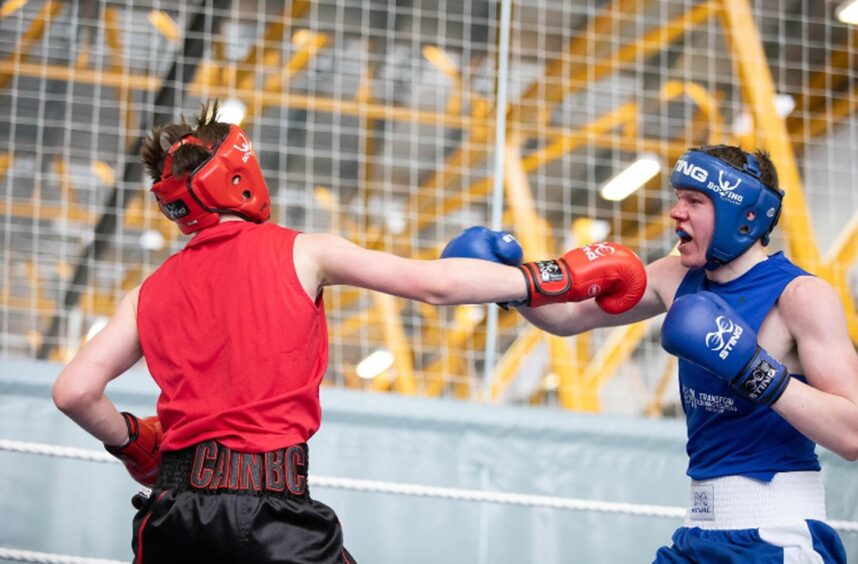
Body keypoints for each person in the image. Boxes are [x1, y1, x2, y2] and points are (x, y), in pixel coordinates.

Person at [51, 100, 648, 563]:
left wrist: (134, 442)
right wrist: (555, 277)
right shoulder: (304, 253)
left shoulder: (147, 292)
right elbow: (432, 285)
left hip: (172, 515)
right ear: (239, 173)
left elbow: (73, 391)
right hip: (270, 514)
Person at [442, 145, 858, 563]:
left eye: (695, 201)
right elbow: (569, 315)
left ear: (745, 216)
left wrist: (754, 371)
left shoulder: (802, 296)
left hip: (778, 535)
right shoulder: (676, 275)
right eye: (679, 197)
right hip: (700, 535)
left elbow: (852, 434)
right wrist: (510, 283)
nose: (677, 212)